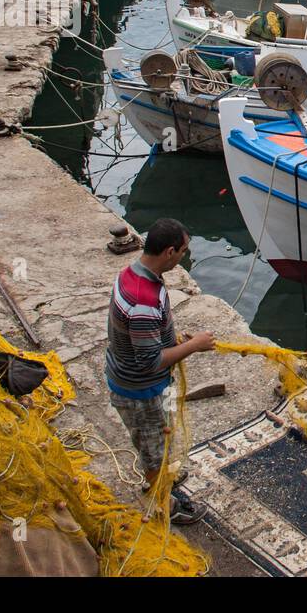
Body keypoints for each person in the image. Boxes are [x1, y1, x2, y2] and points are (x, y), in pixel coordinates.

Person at [105, 218, 213, 525]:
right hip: (139, 390)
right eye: (183, 251)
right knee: (153, 448)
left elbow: (142, 338)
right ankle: (165, 504)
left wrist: (173, 341)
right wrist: (195, 346)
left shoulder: (134, 274)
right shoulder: (143, 300)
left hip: (139, 382)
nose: (185, 256)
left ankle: (161, 479)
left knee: (158, 441)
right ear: (168, 251)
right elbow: (151, 361)